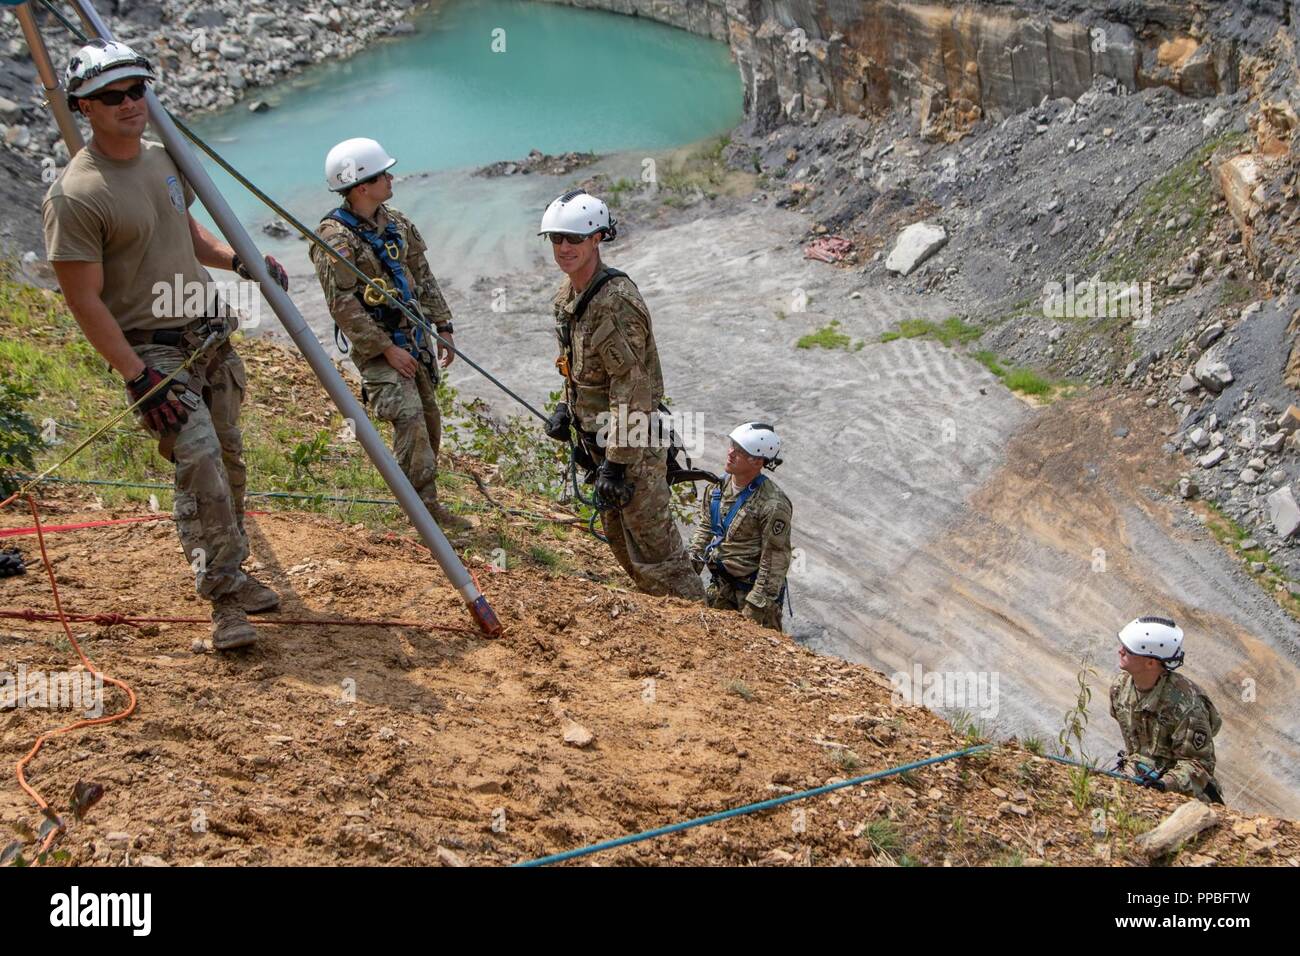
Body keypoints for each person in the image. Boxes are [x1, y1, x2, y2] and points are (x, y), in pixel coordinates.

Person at [42, 39, 288, 651]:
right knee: (197, 456)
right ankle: (224, 601)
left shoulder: (163, 160)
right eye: (110, 96)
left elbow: (182, 230)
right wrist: (137, 376)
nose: (129, 103)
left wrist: (238, 260)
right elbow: (84, 299)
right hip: (153, 354)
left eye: (136, 90)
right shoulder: (76, 195)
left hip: (207, 335)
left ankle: (234, 567)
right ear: (83, 106)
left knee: (227, 457)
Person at [539, 189, 703, 600]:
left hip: (631, 447)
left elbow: (634, 389)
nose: (563, 248)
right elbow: (575, 364)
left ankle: (700, 627)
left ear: (596, 239)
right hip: (602, 445)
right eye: (556, 239)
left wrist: (617, 464)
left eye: (573, 239)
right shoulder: (568, 296)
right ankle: (664, 620)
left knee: (657, 553)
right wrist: (565, 407)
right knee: (620, 541)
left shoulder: (614, 302)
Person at [310, 137, 468, 531]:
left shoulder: (396, 223)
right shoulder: (335, 239)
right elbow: (342, 304)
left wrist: (442, 324)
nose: (392, 178)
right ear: (362, 186)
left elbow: (422, 274)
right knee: (410, 420)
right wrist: (384, 350)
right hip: (381, 349)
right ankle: (422, 519)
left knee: (430, 421)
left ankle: (427, 507)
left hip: (414, 340)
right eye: (384, 174)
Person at [1109, 616, 1224, 803]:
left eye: (1129, 650)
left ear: (1151, 663)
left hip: (1184, 794)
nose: (1120, 651)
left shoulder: (1187, 705)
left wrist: (1164, 784)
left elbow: (1200, 766)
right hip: (1140, 777)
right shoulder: (1119, 689)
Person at [688, 422, 792, 630]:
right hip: (720, 588)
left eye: (740, 451)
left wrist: (754, 608)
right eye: (732, 446)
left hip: (751, 594)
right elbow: (706, 529)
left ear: (757, 461)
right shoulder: (717, 488)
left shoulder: (773, 504)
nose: (730, 453)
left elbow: (774, 560)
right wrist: (689, 571)